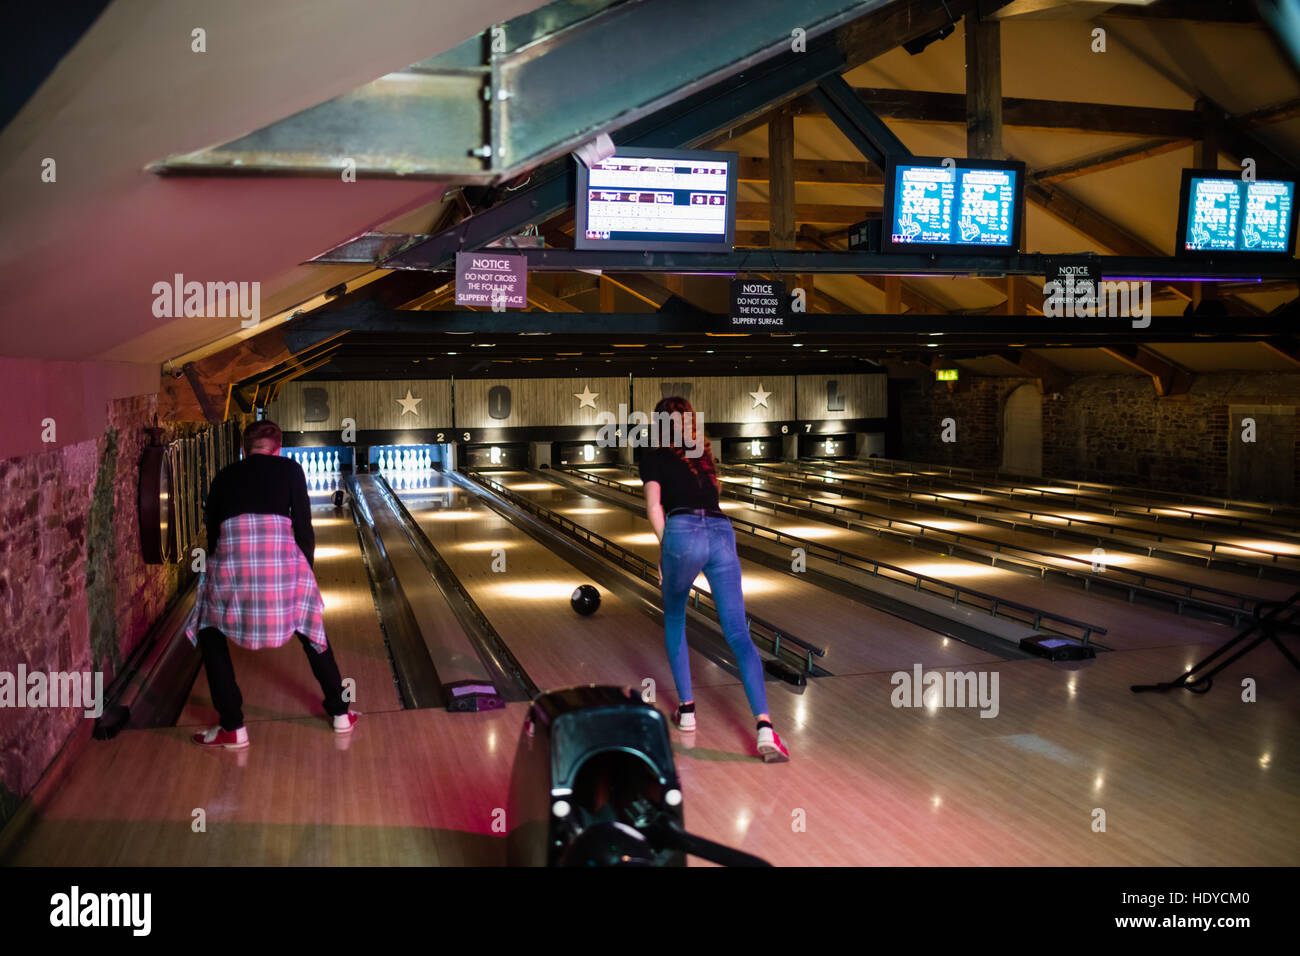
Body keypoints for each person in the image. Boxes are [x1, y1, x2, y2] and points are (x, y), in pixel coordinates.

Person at [183, 421, 358, 748]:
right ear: (278, 449)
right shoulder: (290, 469)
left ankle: (233, 727)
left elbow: (214, 536)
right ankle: (340, 713)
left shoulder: (223, 476)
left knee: (207, 629)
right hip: (282, 567)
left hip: (231, 567)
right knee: (312, 630)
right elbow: (304, 529)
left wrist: (224, 574)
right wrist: (303, 575)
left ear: (242, 449)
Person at [639, 396, 789, 762]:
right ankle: (766, 729)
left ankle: (687, 712)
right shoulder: (704, 456)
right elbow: (711, 501)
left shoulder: (651, 452)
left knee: (675, 618)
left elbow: (654, 506)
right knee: (738, 634)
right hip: (722, 533)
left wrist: (666, 551)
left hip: (682, 532)